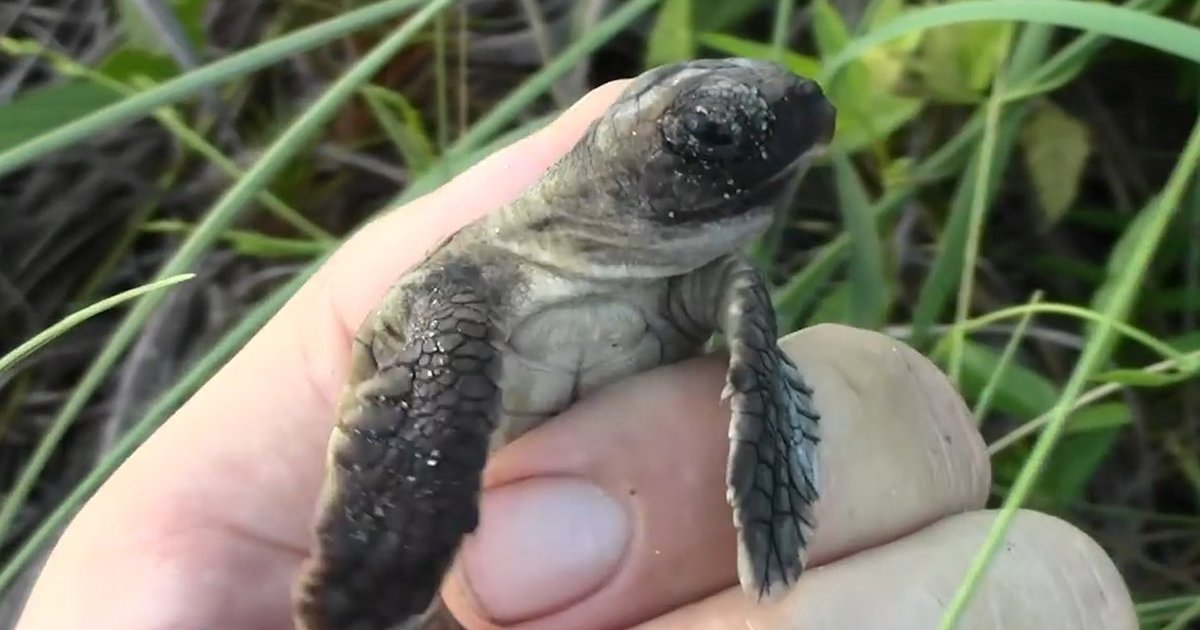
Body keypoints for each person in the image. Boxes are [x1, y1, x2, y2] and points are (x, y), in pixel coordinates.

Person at [13, 79, 1137, 630]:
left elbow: (770, 438)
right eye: (695, 129)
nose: (742, 137)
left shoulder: (724, 280)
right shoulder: (482, 272)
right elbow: (415, 428)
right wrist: (371, 591)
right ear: (613, 157)